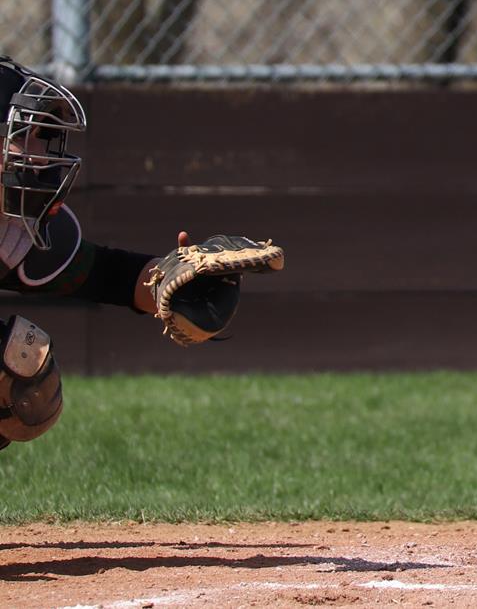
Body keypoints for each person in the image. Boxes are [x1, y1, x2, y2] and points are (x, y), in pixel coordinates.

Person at [0, 56, 282, 450]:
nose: (41, 158)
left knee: (20, 377)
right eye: (22, 137)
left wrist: (173, 284)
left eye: (41, 138)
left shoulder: (13, 229)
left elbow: (103, 274)